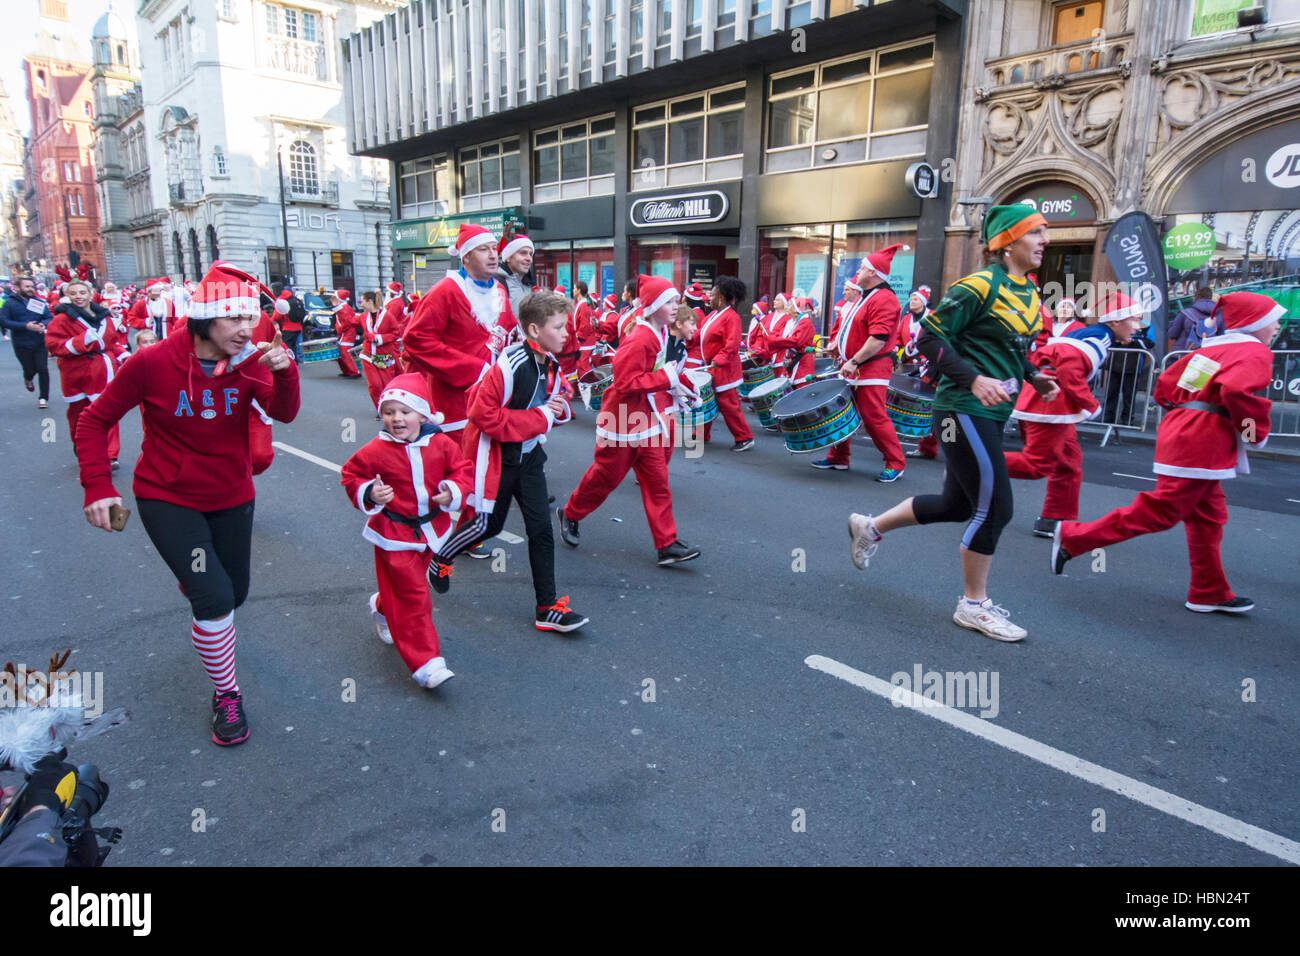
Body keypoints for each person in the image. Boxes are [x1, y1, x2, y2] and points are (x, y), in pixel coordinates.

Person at [75, 262, 299, 745]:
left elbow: (284, 413)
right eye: (234, 319)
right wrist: (97, 487)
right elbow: (93, 421)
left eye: (250, 318)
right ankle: (227, 694)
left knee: (233, 594)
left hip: (231, 492)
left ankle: (199, 585)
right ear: (203, 319)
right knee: (215, 598)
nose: (247, 328)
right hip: (166, 495)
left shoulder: (250, 361)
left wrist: (285, 374)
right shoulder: (151, 363)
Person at [847, 204, 1058, 642]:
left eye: (1044, 232)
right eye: (1036, 232)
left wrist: (1034, 375)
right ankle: (973, 605)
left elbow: (1015, 349)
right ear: (1008, 241)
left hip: (990, 411)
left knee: (958, 504)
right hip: (961, 408)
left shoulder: (1029, 292)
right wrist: (975, 378)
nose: (1045, 240)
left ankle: (870, 527)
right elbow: (929, 336)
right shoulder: (978, 285)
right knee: (997, 508)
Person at [1053, 291, 1280, 614]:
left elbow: (1167, 390)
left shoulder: (1213, 351)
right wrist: (1253, 433)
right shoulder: (1252, 353)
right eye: (1272, 320)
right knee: (1163, 511)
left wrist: (1191, 413)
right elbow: (1235, 391)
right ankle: (1074, 537)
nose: (1276, 327)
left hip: (1184, 431)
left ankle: (1208, 590)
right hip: (1203, 440)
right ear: (1254, 324)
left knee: (1208, 515)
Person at [432, 292, 589, 631]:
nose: (566, 334)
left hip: (530, 457)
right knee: (488, 526)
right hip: (498, 459)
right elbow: (481, 415)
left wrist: (558, 407)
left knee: (541, 531)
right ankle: (442, 557)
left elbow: (551, 408)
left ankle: (547, 608)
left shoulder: (551, 362)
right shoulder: (511, 363)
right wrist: (543, 416)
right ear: (534, 329)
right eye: (559, 327)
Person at [340, 373, 473, 688]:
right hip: (393, 535)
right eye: (388, 411)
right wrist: (370, 492)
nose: (396, 418)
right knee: (415, 596)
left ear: (422, 414)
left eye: (404, 411)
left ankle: (382, 606)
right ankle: (426, 663)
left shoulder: (440, 443)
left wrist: (452, 489)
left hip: (432, 531)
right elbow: (351, 475)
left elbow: (462, 469)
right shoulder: (376, 449)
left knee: (403, 593)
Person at [558, 274, 702, 566]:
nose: (677, 306)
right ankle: (570, 513)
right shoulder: (640, 337)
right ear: (654, 306)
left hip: (644, 421)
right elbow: (625, 382)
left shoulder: (658, 333)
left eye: (676, 300)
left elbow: (661, 373)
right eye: (670, 301)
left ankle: (666, 544)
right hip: (622, 422)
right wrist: (668, 378)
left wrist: (684, 386)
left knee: (658, 482)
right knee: (604, 479)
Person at [1004, 291, 1145, 537]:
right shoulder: (1100, 337)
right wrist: (1091, 405)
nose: (1138, 327)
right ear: (1115, 321)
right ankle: (971, 463)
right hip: (1049, 403)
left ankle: (1054, 521)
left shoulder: (1094, 334)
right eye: (1134, 320)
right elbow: (1069, 368)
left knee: (1069, 463)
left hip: (1050, 401)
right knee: (1037, 465)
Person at [402, 223, 518, 441]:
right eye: (483, 250)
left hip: (495, 394)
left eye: (494, 249)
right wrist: (476, 369)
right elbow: (417, 340)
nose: (493, 256)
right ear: (466, 257)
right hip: (456, 399)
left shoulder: (499, 290)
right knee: (462, 464)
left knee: (492, 465)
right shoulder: (445, 291)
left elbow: (509, 330)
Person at [815, 245, 908, 480]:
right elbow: (854, 329)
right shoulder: (867, 297)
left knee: (873, 415)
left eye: (863, 267)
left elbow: (878, 339)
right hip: (854, 366)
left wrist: (855, 361)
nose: (859, 270)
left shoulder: (885, 299)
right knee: (842, 411)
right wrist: (838, 346)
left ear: (874, 273)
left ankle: (896, 462)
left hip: (870, 367)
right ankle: (838, 457)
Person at [45, 279, 129, 470]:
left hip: (103, 372)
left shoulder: (104, 317)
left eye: (82, 293)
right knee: (79, 414)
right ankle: (82, 445)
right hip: (76, 373)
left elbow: (111, 342)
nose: (78, 297)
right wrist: (80, 341)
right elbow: (53, 345)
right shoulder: (61, 319)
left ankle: (109, 454)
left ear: (91, 294)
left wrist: (124, 355)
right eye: (73, 293)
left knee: (108, 412)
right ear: (68, 296)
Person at [699, 276, 754, 451]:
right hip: (712, 367)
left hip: (724, 369)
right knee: (705, 400)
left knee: (728, 405)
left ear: (721, 298)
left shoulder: (732, 317)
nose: (709, 298)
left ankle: (744, 437)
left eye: (713, 295)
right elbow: (700, 334)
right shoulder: (714, 315)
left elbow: (732, 345)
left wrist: (718, 360)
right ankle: (701, 434)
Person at [0, 275, 52, 408]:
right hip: (21, 343)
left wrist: (42, 325)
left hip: (39, 341)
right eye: (27, 286)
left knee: (42, 368)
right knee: (30, 369)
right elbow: (4, 321)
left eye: (31, 286)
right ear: (17, 288)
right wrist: (25, 326)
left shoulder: (38, 302)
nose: (30, 289)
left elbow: (49, 318)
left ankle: (43, 398)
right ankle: (28, 378)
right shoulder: (10, 303)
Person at [359, 289, 401, 410]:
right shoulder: (363, 316)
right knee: (375, 385)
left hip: (385, 357)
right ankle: (381, 410)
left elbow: (396, 333)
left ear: (369, 301)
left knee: (387, 386)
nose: (361, 304)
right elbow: (350, 322)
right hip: (368, 356)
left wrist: (380, 338)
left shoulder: (387, 315)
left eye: (362, 301)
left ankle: (390, 409)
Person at [1168, 286, 1222, 352]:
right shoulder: (1219, 315)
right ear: (1210, 297)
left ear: (1195, 298)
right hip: (1210, 354)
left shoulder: (1185, 314)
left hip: (1184, 353)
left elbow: (1172, 334)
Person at [496, 231, 534, 316]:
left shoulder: (530, 287)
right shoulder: (497, 285)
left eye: (530, 254)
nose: (529, 259)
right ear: (508, 258)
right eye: (523, 253)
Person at [332, 288, 362, 378]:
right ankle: (347, 371)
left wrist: (340, 329)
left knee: (345, 352)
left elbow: (347, 323)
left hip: (347, 333)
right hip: (345, 333)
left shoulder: (344, 309)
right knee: (342, 353)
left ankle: (354, 371)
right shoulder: (342, 308)